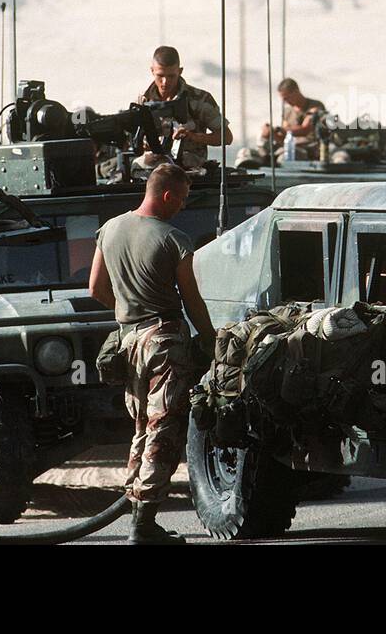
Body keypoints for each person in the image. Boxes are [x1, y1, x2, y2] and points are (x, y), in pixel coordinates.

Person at [89, 163, 216, 544]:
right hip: (164, 342)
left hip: (129, 342)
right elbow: (191, 300)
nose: (183, 205)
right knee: (164, 428)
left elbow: (95, 287)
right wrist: (210, 340)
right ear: (166, 195)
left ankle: (138, 513)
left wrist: (129, 311)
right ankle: (143, 526)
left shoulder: (109, 229)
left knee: (143, 426)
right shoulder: (175, 238)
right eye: (182, 198)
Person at [135, 46, 233, 171]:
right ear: (152, 71)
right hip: (150, 167)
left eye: (171, 76)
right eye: (160, 75)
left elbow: (226, 137)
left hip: (188, 168)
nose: (165, 82)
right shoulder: (143, 101)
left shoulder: (199, 100)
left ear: (180, 71)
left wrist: (193, 137)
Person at [240, 78, 327, 166]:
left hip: (309, 150)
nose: (285, 102)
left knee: (283, 158)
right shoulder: (287, 112)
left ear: (296, 92)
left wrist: (278, 129)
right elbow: (283, 139)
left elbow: (305, 129)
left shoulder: (315, 106)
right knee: (248, 153)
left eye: (287, 98)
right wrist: (272, 133)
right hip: (289, 148)